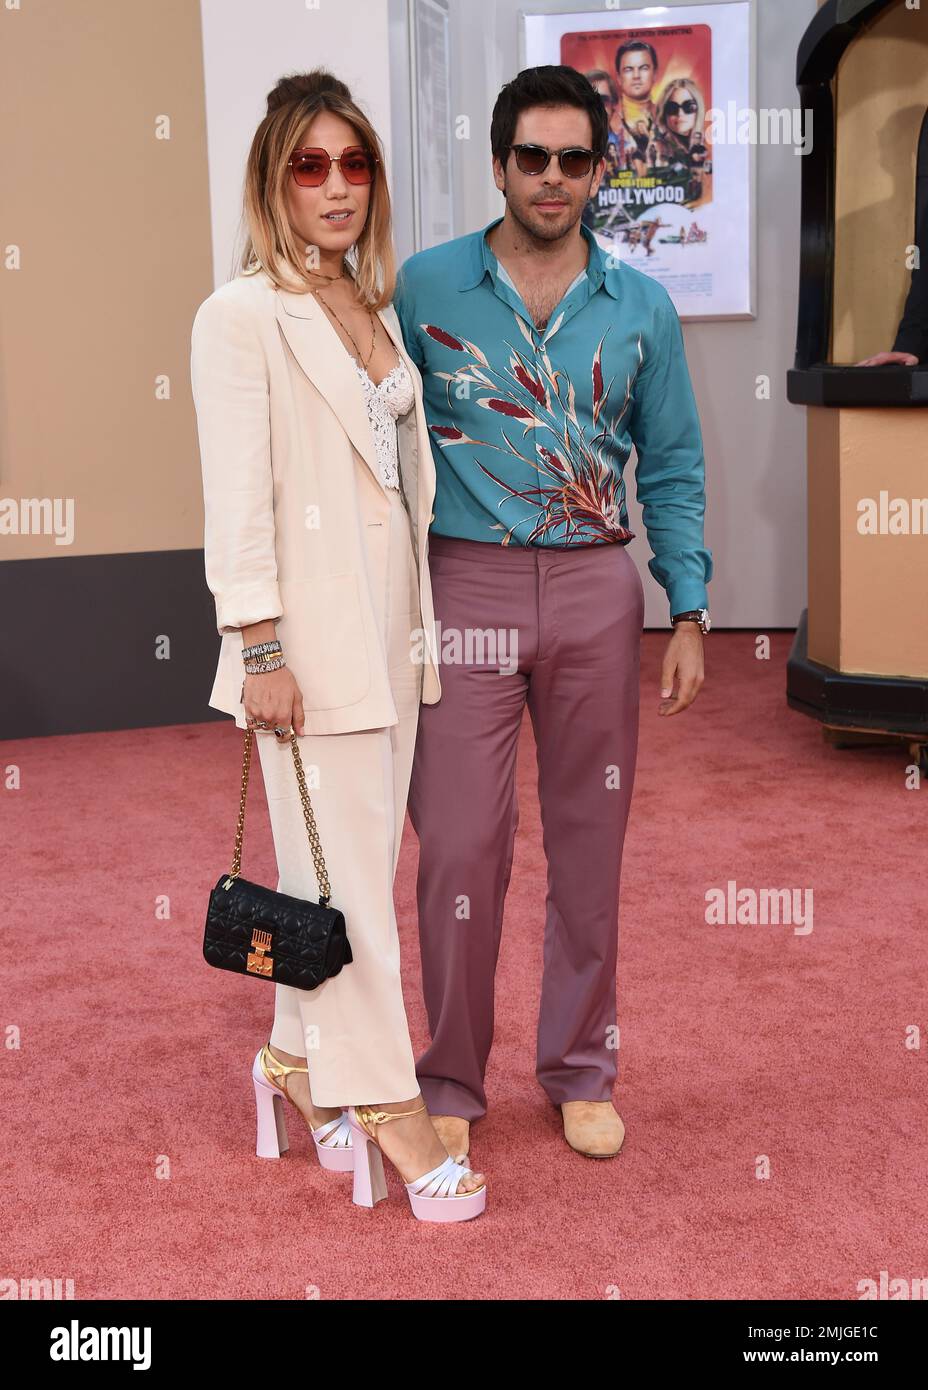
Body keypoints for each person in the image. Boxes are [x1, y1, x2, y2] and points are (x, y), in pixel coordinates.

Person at [394, 65, 712, 1166]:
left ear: (596, 174)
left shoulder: (641, 308)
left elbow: (670, 462)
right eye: (530, 156)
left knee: (590, 844)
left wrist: (690, 606)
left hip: (592, 591)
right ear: (497, 165)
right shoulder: (424, 288)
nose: (550, 177)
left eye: (573, 159)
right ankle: (448, 1077)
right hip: (465, 586)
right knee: (461, 849)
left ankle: (581, 1068)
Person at [190, 68, 487, 1221]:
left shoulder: (373, 306)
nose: (337, 186)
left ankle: (295, 1066)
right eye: (310, 165)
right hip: (305, 657)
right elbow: (237, 500)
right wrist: (261, 649)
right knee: (353, 888)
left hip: (391, 641)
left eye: (354, 164)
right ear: (274, 179)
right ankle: (387, 1106)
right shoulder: (239, 315)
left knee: (331, 876)